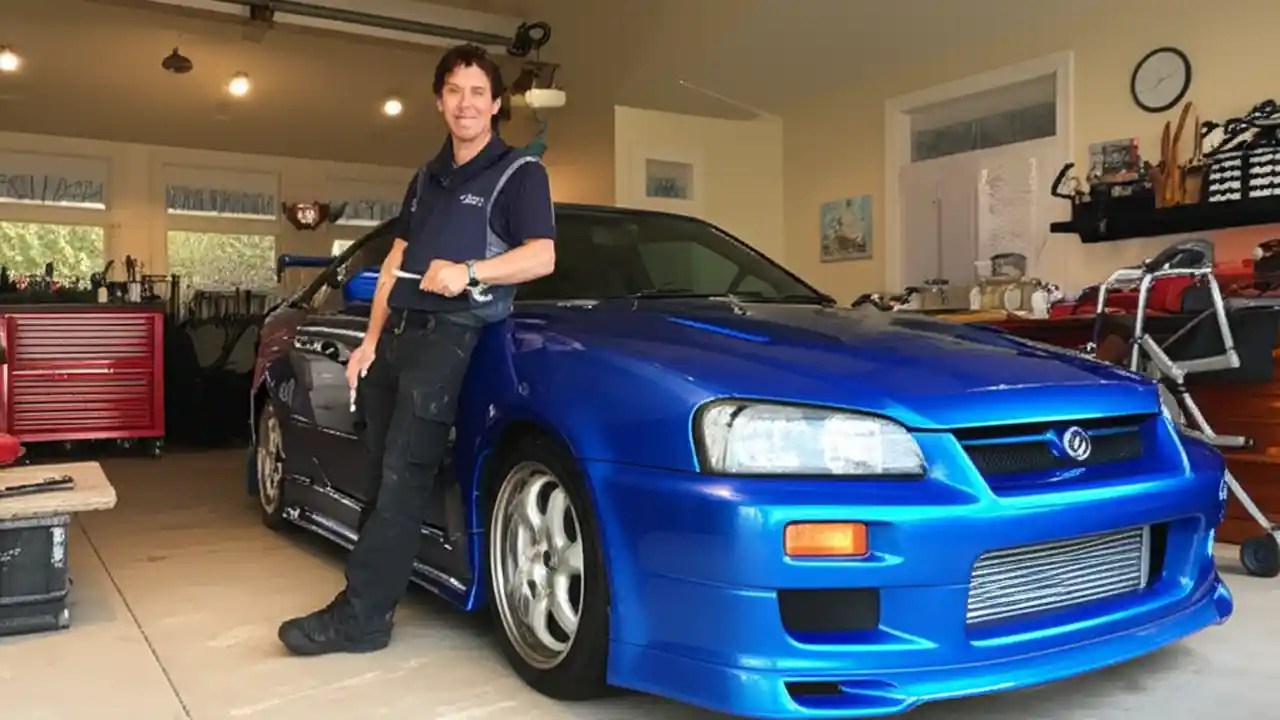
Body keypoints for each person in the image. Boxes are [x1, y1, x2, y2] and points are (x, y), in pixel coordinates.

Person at [277, 43, 557, 656]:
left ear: (497, 103)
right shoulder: (425, 179)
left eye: (479, 92)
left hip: (452, 338)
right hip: (400, 337)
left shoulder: (519, 173)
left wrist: (472, 271)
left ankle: (362, 616)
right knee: (383, 479)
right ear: (440, 101)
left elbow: (543, 255)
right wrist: (369, 342)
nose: (466, 103)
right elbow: (397, 262)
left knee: (404, 477)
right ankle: (375, 598)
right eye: (455, 91)